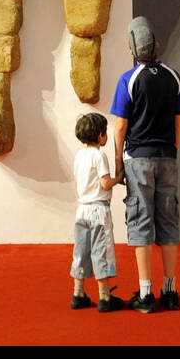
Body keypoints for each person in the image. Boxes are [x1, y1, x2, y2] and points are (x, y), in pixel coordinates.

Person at [110, 17, 180, 313]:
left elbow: (120, 127)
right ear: (156, 45)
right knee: (168, 221)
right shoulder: (173, 76)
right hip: (167, 157)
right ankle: (170, 291)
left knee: (140, 222)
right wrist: (172, 149)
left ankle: (146, 294)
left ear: (131, 50)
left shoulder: (128, 80)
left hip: (138, 160)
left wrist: (118, 163)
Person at [70, 112, 125, 312]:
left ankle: (78, 293)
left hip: (82, 209)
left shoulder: (79, 156)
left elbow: (77, 184)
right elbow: (104, 182)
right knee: (101, 250)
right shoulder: (99, 156)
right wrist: (118, 179)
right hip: (99, 210)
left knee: (81, 251)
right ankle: (105, 297)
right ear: (101, 135)